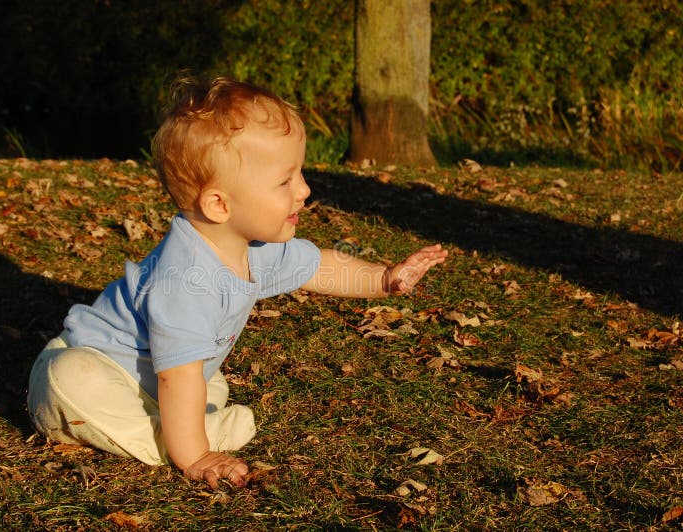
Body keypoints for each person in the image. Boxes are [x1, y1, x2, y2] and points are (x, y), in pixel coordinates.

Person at [27, 75, 448, 489]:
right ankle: (179, 440)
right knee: (76, 378)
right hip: (90, 371)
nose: (304, 189)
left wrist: (386, 279)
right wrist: (197, 457)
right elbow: (176, 377)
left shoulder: (252, 248)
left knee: (208, 380)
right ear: (218, 203)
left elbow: (318, 265)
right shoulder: (186, 280)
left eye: (298, 174)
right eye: (285, 181)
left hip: (157, 378)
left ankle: (175, 426)